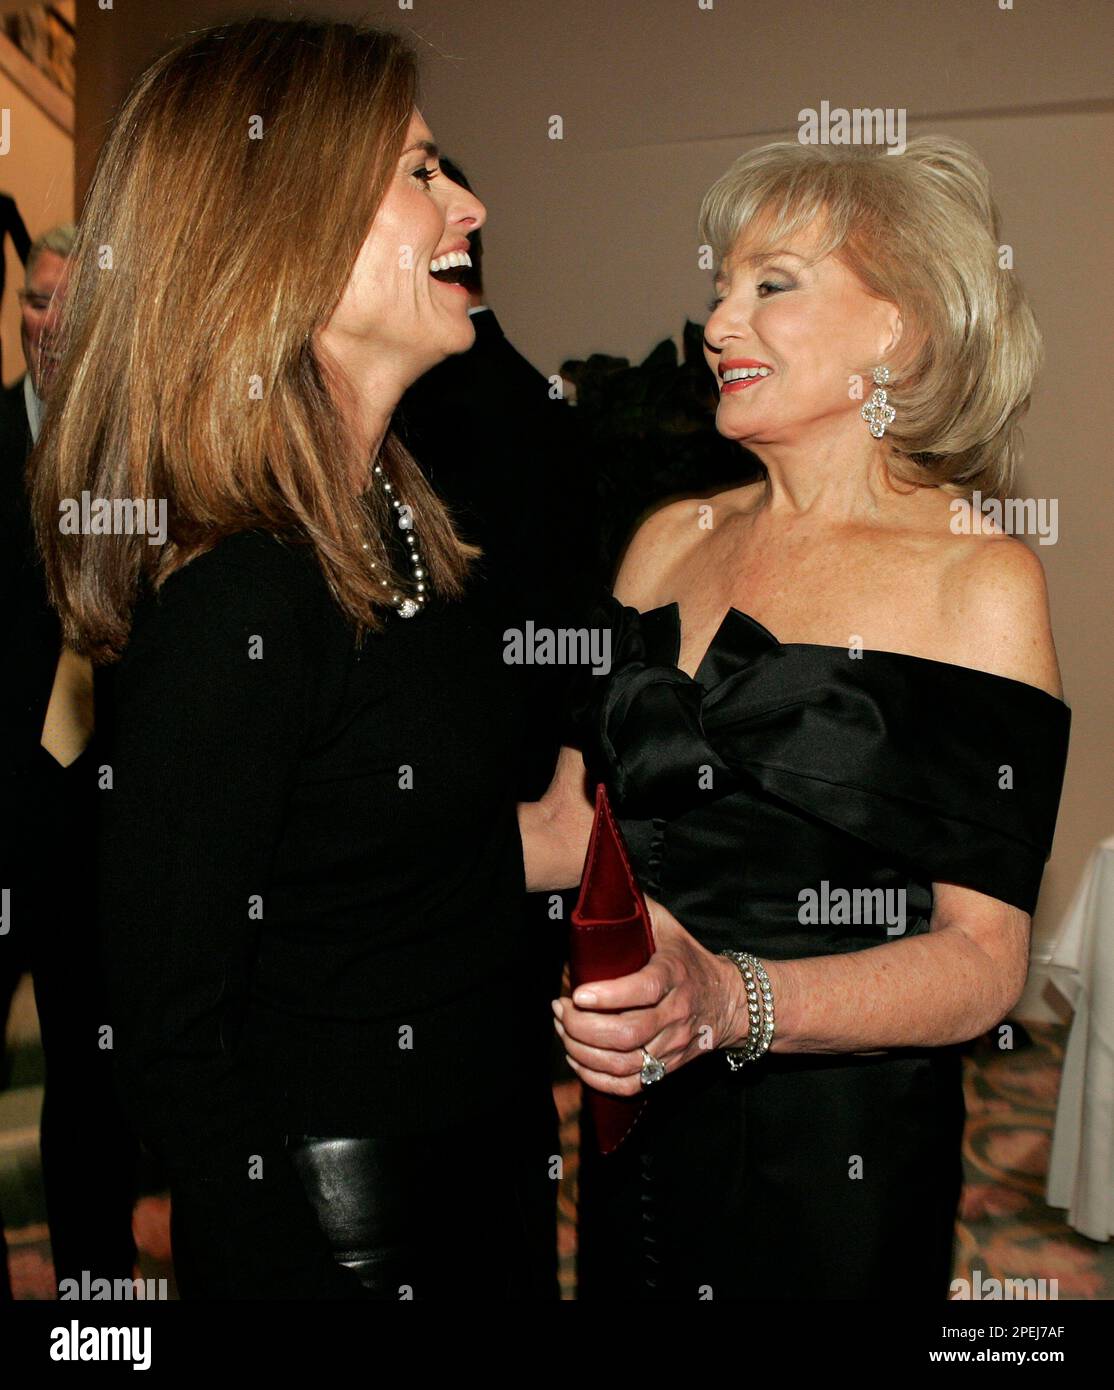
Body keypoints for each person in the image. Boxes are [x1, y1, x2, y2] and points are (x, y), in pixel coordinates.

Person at [32, 18, 558, 1300]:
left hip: (484, 1166)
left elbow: (369, 864)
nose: (471, 206)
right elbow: (171, 1034)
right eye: (421, 172)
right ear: (289, 226)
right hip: (345, 1229)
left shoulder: (406, 527)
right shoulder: (240, 596)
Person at [521, 136, 1070, 1299]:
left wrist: (731, 1000)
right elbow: (568, 829)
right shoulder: (667, 539)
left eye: (771, 284)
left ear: (897, 329)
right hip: (635, 1112)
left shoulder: (978, 577)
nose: (719, 323)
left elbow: (984, 961)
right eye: (720, 287)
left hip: (837, 1145)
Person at [1, 222, 139, 1297]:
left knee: (94, 1085)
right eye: (34, 300)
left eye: (68, 303)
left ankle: (96, 1318)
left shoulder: (145, 455)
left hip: (101, 822)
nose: (48, 324)